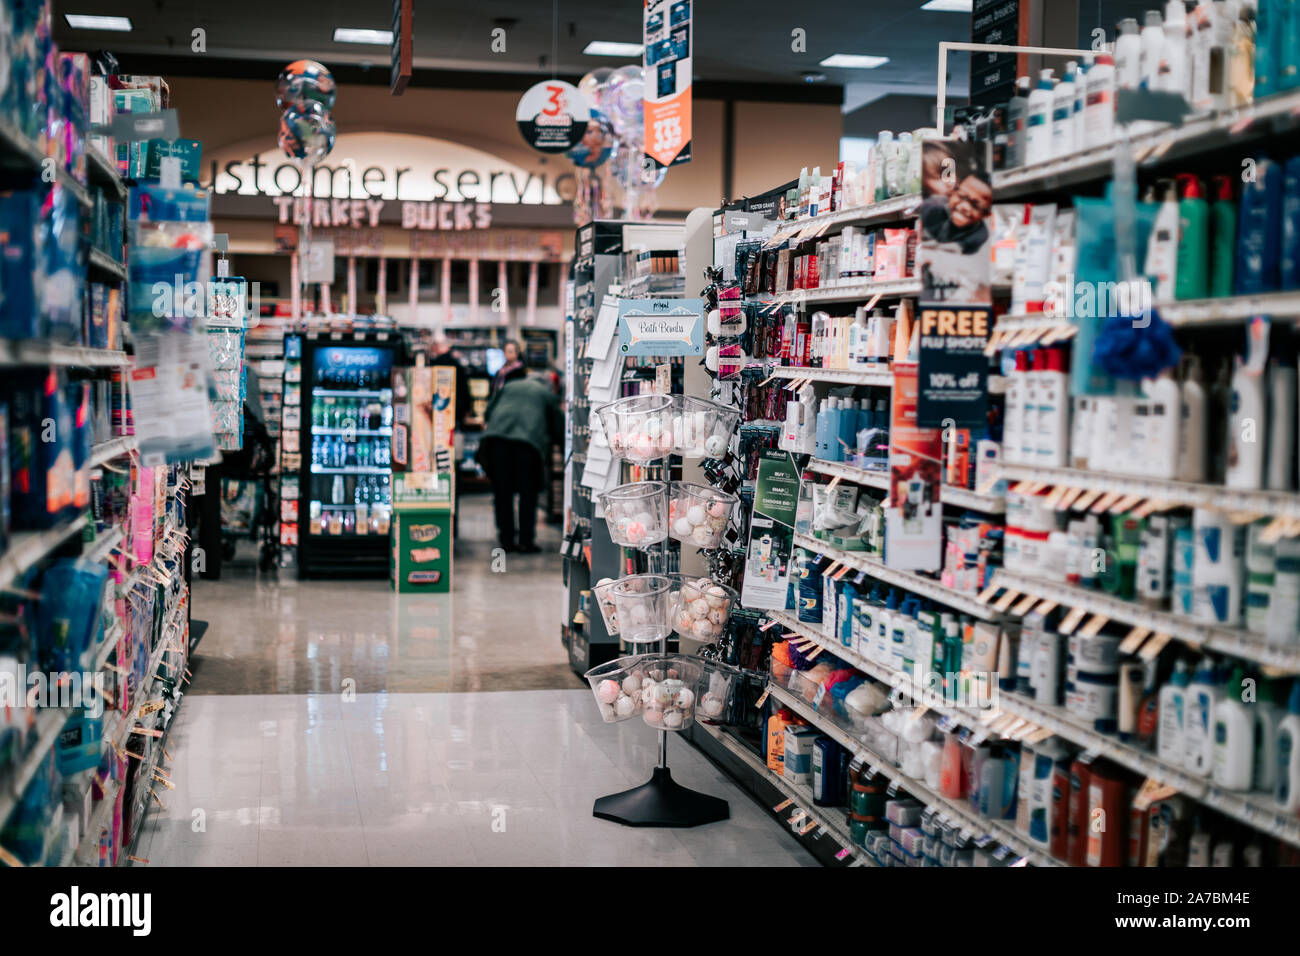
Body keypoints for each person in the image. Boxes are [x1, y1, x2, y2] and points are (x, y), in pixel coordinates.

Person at [477, 365, 562, 553]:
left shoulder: (509, 386)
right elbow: (559, 427)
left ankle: (506, 540)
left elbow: (488, 413)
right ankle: (526, 541)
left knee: (502, 493)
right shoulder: (546, 394)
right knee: (527, 494)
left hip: (496, 442)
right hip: (527, 446)